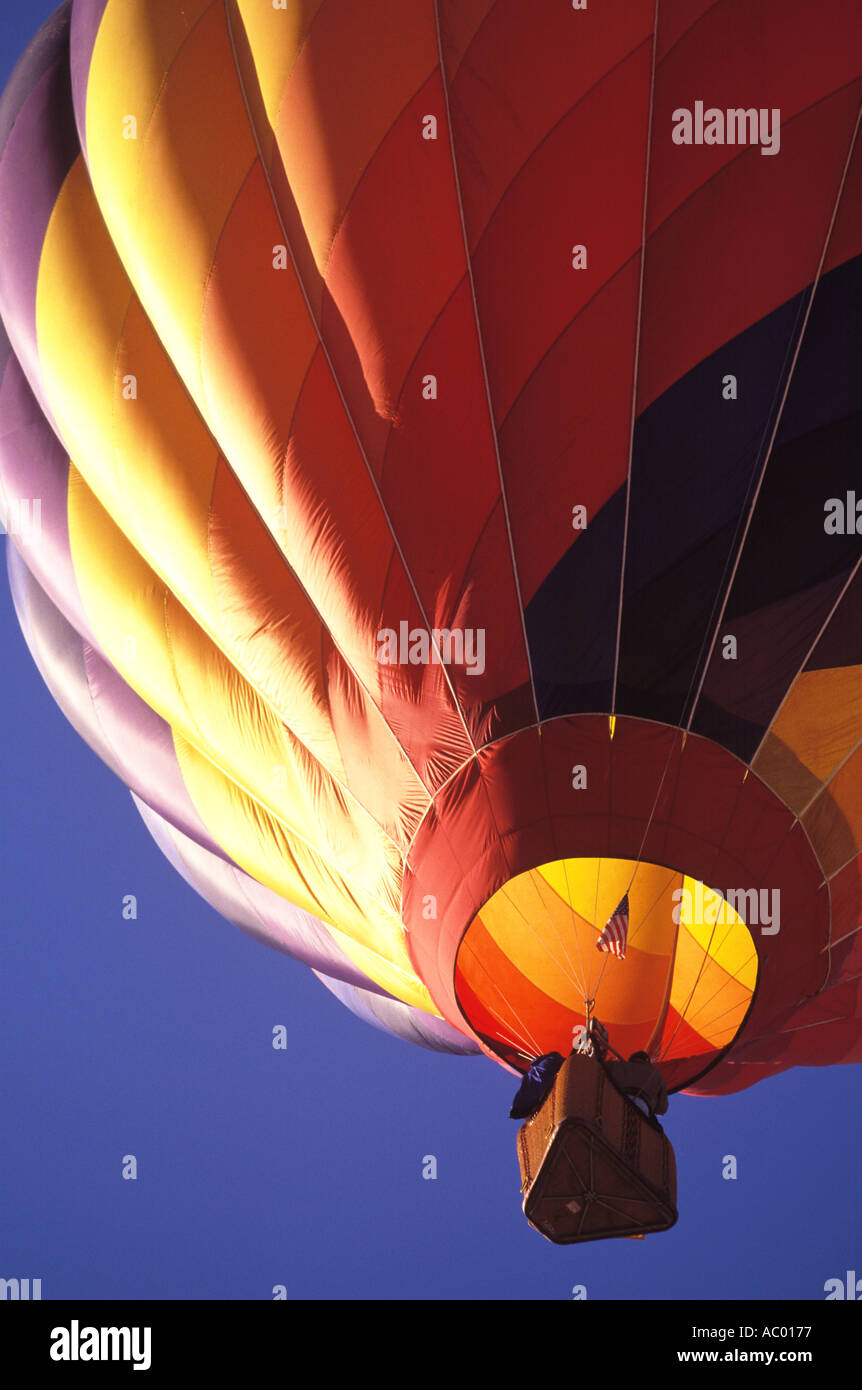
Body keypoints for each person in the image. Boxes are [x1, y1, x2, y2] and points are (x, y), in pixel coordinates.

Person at [605, 1050, 668, 1122]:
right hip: (642, 1106)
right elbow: (662, 1108)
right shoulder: (656, 1075)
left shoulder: (619, 1065)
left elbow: (600, 1065)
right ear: (647, 1061)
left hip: (617, 1100)